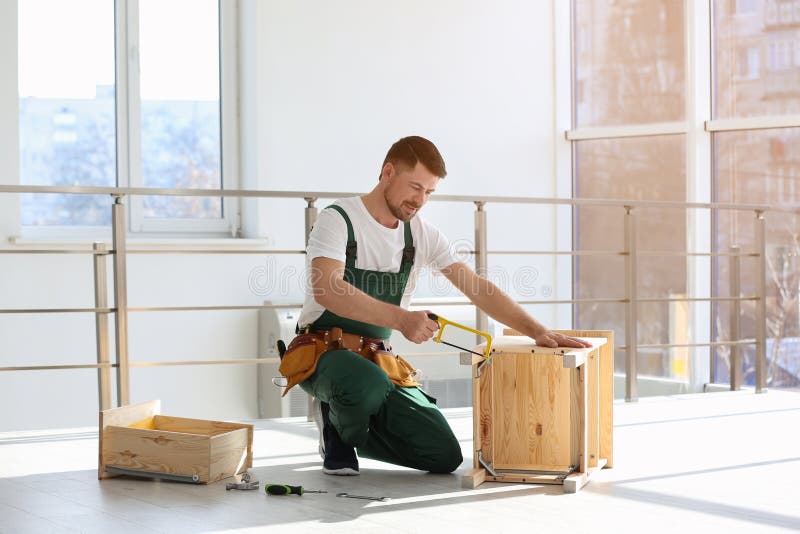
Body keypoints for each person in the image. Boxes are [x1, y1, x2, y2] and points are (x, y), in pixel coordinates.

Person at [278, 135, 591, 476]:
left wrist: (538, 331)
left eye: (429, 192)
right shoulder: (338, 219)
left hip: (375, 361)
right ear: (387, 172)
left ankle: (354, 422)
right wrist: (401, 319)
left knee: (442, 454)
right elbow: (329, 291)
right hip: (322, 354)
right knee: (364, 384)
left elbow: (478, 289)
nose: (420, 200)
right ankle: (335, 422)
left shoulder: (421, 235)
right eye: (415, 187)